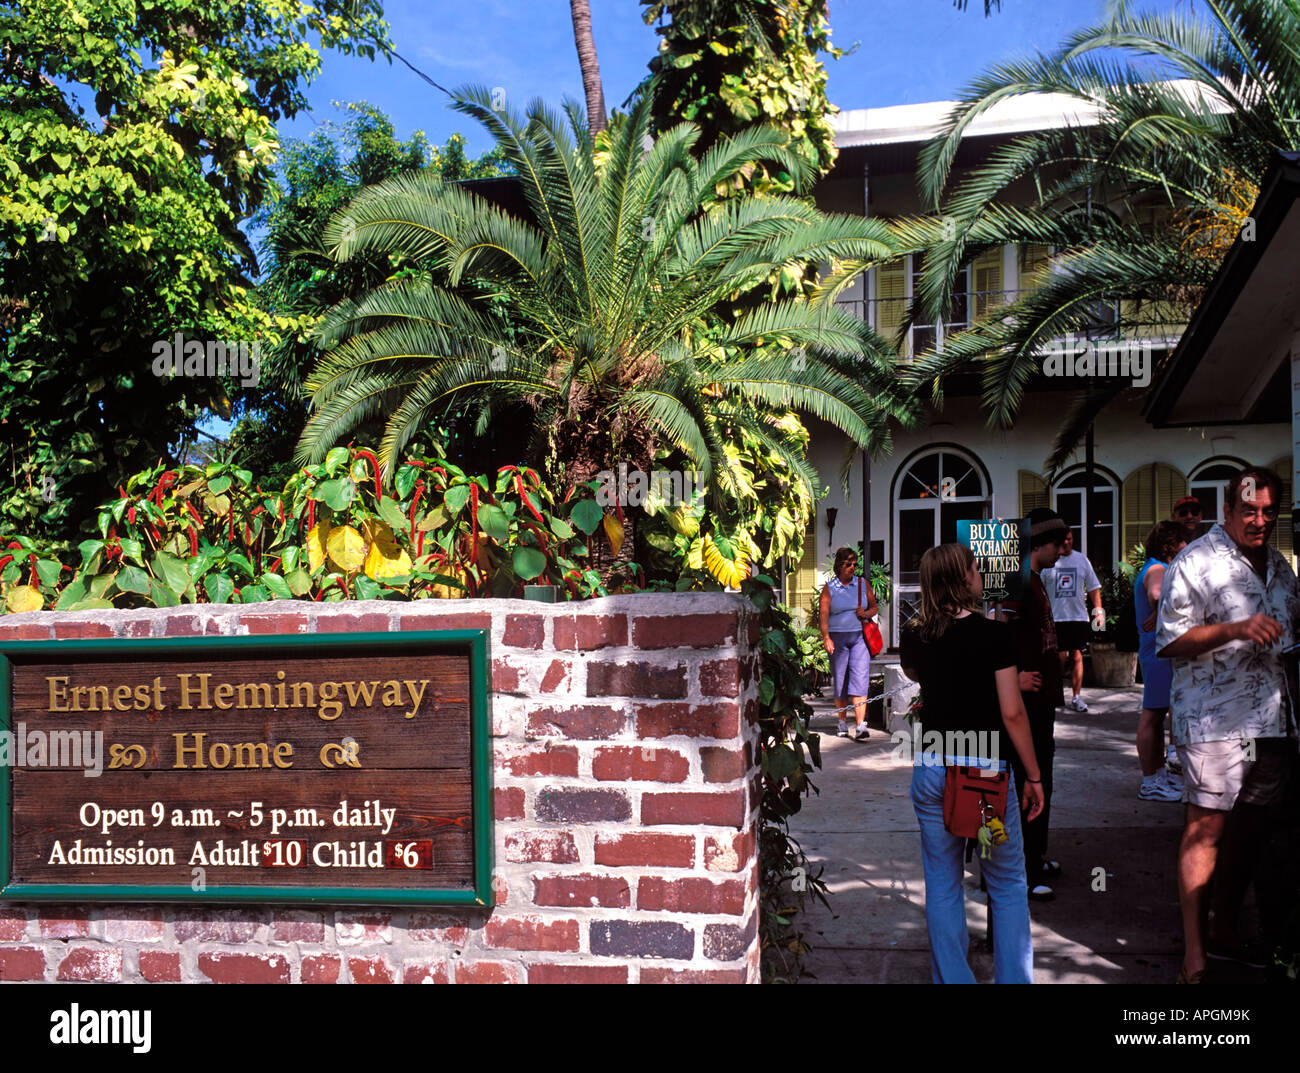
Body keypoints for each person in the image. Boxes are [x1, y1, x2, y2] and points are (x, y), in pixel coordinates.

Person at [1156, 465, 1300, 984]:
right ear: (1227, 510)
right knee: (1207, 830)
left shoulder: (1281, 568)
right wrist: (1235, 628)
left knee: (1252, 833)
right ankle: (1194, 955)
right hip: (1212, 721)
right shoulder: (1194, 561)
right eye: (1248, 511)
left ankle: (1223, 928)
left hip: (1272, 721)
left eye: (1267, 512)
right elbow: (1168, 641)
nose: (1258, 520)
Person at [900, 542, 1045, 984]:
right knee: (1006, 883)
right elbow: (1012, 712)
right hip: (983, 775)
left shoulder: (914, 635)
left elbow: (917, 675)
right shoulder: (996, 636)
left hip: (931, 768)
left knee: (943, 884)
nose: (981, 576)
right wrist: (1034, 776)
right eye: (976, 570)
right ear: (964, 579)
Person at [1008, 507, 1068, 901]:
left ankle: (1036, 856)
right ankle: (1025, 870)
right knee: (1029, 781)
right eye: (1058, 543)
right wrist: (1014, 677)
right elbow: (1000, 635)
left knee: (1041, 775)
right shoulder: (1019, 584)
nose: (1064, 549)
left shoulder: (1035, 581)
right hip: (1026, 704)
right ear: (1040, 544)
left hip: (1041, 701)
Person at [1133, 520, 1188, 802]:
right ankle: (1151, 781)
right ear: (1170, 545)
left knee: (1155, 715)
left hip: (1156, 650)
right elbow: (1156, 593)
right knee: (1152, 717)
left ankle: (1157, 776)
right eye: (1183, 543)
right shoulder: (1158, 568)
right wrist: (1165, 607)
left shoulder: (1155, 566)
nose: (1187, 548)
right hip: (1158, 652)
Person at [1042, 529, 1103, 712]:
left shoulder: (1081, 560)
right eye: (1063, 540)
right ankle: (1056, 693)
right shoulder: (1049, 561)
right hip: (1056, 618)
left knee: (1077, 655)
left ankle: (1076, 697)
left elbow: (1093, 588)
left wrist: (1098, 611)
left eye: (1069, 539)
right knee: (1058, 658)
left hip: (1078, 617)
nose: (1066, 543)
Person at [819, 546, 876, 740]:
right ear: (839, 566)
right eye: (848, 564)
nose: (852, 567)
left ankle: (860, 725)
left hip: (860, 637)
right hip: (837, 638)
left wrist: (866, 613)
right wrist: (826, 637)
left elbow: (874, 607)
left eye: (854, 564)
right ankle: (842, 722)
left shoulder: (862, 584)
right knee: (841, 680)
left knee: (860, 678)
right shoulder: (829, 588)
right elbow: (824, 615)